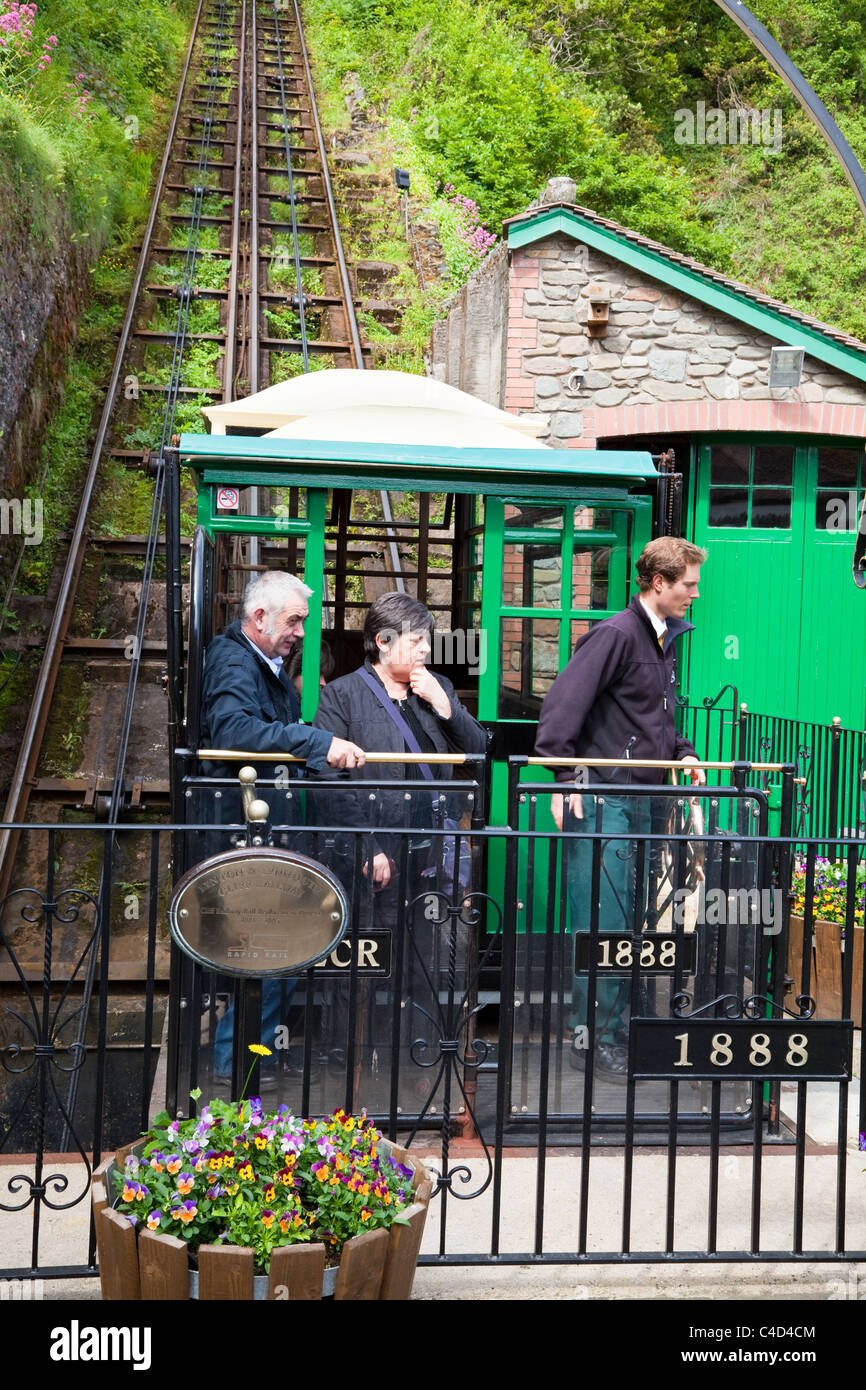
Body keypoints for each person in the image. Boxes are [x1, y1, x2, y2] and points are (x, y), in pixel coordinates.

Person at [534, 536, 708, 1078]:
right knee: (603, 925)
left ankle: (620, 1031)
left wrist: (683, 752)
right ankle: (592, 1042)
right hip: (606, 804)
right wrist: (566, 780)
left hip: (645, 801)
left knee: (631, 927)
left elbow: (655, 720)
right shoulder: (614, 635)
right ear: (659, 583)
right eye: (689, 584)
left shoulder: (660, 639)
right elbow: (560, 713)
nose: (695, 594)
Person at [311, 592, 489, 1099]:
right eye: (416, 641)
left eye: (426, 640)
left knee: (423, 963)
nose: (425, 650)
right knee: (364, 961)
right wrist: (368, 846)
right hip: (374, 856)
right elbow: (328, 780)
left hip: (427, 855)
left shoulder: (438, 690)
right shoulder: (343, 696)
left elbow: (477, 753)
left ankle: (418, 1064)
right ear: (381, 643)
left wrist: (445, 705)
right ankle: (350, 1068)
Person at [199, 570, 366, 1085]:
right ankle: (238, 1060)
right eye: (294, 621)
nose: (300, 632)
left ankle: (248, 1054)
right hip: (247, 831)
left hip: (265, 830)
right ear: (259, 618)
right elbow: (233, 729)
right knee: (271, 945)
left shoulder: (260, 662)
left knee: (273, 946)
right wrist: (315, 744)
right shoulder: (234, 660)